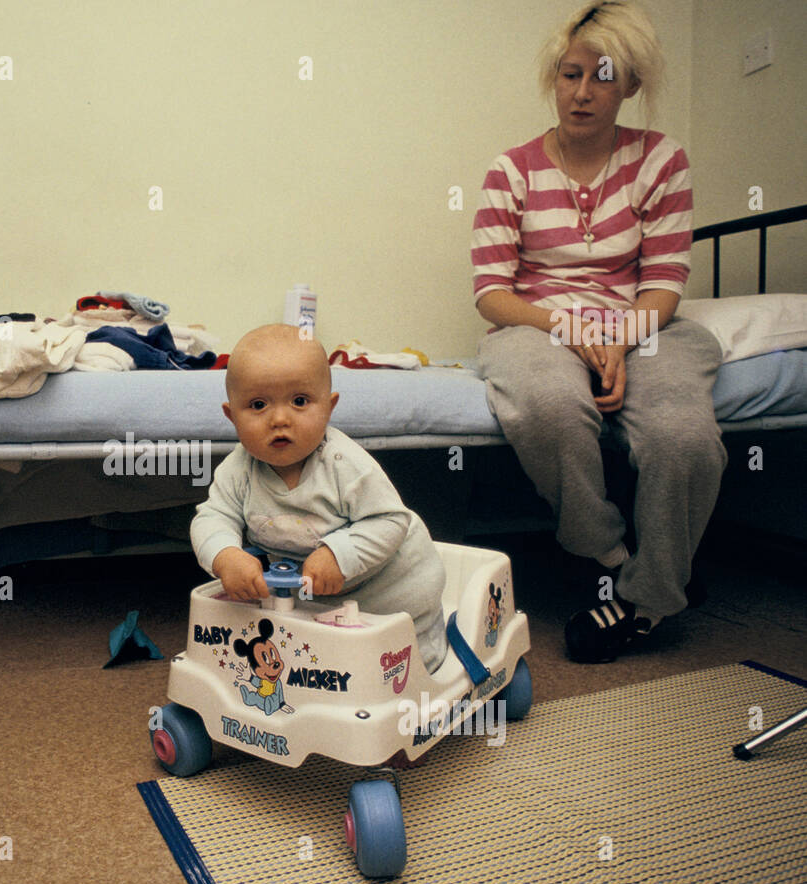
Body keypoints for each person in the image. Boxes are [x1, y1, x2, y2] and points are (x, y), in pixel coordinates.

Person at [471, 0, 725, 663]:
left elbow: (665, 281)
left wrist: (617, 341)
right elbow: (492, 295)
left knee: (685, 434)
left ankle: (644, 598)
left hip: (640, 323)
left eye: (602, 77)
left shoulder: (662, 162)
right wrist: (571, 331)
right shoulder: (512, 171)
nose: (581, 93)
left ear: (631, 85)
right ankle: (612, 551)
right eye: (569, 74)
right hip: (538, 321)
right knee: (552, 406)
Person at [190, 325, 448, 674]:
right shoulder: (239, 469)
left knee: (400, 651)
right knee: (314, 649)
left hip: (391, 586)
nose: (279, 419)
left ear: (329, 407)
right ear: (231, 416)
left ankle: (425, 665)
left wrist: (338, 553)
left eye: (299, 401)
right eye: (258, 405)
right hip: (315, 597)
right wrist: (225, 555)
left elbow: (391, 520)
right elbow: (212, 517)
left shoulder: (345, 463)